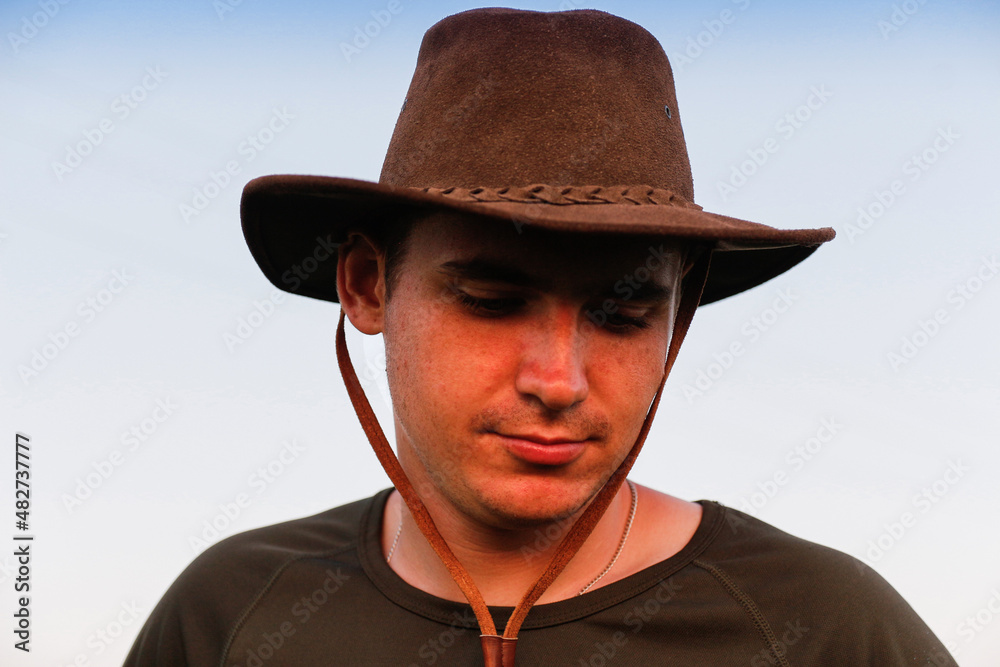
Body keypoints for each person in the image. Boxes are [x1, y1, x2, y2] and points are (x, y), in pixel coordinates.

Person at [125, 8, 956, 666]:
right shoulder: (231, 613)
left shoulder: (823, 627)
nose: (558, 380)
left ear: (680, 316)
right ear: (368, 285)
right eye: (491, 300)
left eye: (624, 314)